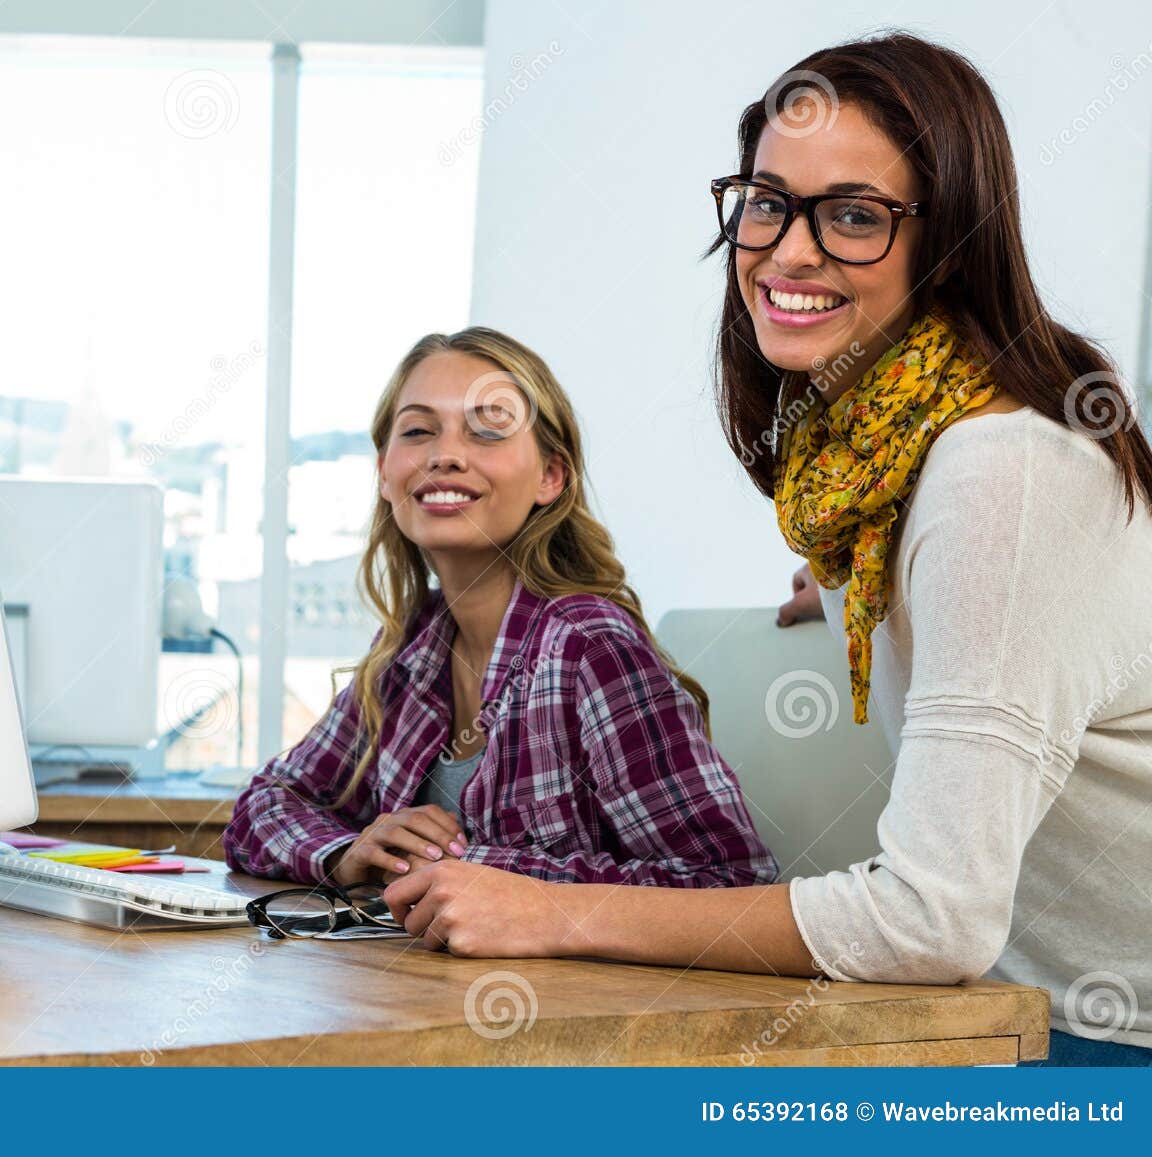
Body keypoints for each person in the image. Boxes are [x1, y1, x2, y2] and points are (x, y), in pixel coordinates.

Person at [382, 33, 1152, 1065]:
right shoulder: (880, 484)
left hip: (1101, 1047)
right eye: (764, 201)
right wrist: (863, 582)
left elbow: (930, 920)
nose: (787, 251)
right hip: (999, 1023)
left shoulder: (1002, 473)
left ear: (950, 242)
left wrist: (551, 909)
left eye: (851, 216)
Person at [223, 327, 776, 890]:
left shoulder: (591, 646)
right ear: (385, 474)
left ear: (550, 477)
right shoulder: (410, 648)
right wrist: (350, 851)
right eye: (417, 431)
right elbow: (264, 807)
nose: (444, 455)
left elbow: (729, 882)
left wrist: (474, 872)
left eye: (488, 432)